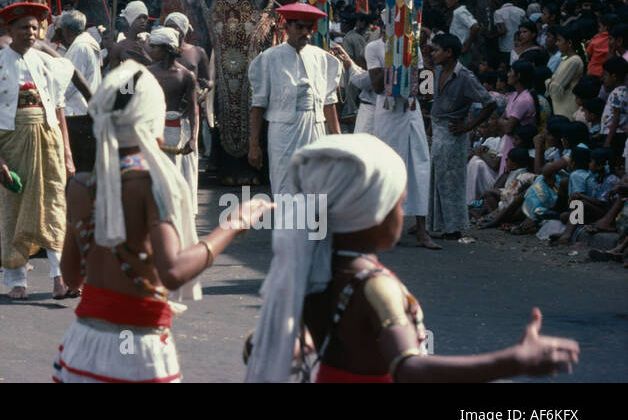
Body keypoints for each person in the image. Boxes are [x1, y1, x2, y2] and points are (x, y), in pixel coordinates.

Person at [245, 134, 580, 382]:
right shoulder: (375, 286)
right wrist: (513, 361)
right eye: (399, 204)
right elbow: (409, 369)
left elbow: (267, 341)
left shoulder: (315, 265)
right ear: (371, 213)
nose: (403, 215)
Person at [56, 63, 273, 382]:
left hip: (82, 346)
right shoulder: (149, 184)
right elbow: (172, 272)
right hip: (136, 352)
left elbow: (71, 275)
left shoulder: (81, 186)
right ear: (153, 122)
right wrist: (234, 224)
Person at [0, 1, 73, 299]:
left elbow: (59, 110)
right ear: (9, 30)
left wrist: (67, 152)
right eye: (24, 27)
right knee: (12, 206)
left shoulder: (48, 63)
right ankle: (16, 280)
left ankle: (59, 278)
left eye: (35, 27)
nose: (31, 32)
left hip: (47, 139)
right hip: (10, 142)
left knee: (53, 205)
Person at [247, 2, 341, 195]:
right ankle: (288, 225)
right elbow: (258, 104)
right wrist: (254, 144)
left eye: (309, 28)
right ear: (286, 26)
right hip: (283, 132)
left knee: (315, 184)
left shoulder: (322, 58)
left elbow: (329, 102)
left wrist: (337, 138)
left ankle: (312, 225)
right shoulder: (270, 58)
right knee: (285, 184)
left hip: (314, 129)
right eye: (299, 27)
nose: (305, 33)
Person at [365, 18, 437, 250]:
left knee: (420, 166)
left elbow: (426, 89)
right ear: (385, 27)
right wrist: (393, 60)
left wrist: (417, 65)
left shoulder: (412, 45)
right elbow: (377, 86)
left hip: (411, 112)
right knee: (387, 170)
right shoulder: (373, 47)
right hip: (387, 115)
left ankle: (422, 231)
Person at [427, 33, 496, 241]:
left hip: (452, 133)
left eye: (436, 50)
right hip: (438, 131)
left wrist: (467, 126)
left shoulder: (465, 76)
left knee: (451, 182)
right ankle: (440, 224)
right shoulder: (438, 72)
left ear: (449, 53)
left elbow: (489, 103)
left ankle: (453, 227)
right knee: (436, 179)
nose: (433, 53)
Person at [146, 27, 200, 200]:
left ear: (166, 49)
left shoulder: (186, 76)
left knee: (172, 177)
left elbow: (193, 110)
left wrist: (193, 138)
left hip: (173, 132)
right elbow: (126, 96)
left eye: (155, 47)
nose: (151, 50)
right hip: (148, 131)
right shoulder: (144, 72)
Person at [59, 10, 100, 173]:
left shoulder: (80, 48)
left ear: (67, 30)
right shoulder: (87, 44)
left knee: (77, 166)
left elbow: (70, 83)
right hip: (83, 113)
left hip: (77, 114)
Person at [547, 26, 586, 119]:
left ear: (569, 43)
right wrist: (552, 82)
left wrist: (550, 82)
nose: (556, 43)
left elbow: (555, 89)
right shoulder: (566, 59)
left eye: (559, 41)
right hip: (561, 106)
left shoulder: (574, 61)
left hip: (567, 108)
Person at [103, 0, 152, 70]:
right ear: (130, 19)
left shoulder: (150, 43)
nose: (143, 21)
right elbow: (113, 77)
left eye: (145, 17)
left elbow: (159, 71)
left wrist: (144, 55)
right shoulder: (119, 47)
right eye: (139, 17)